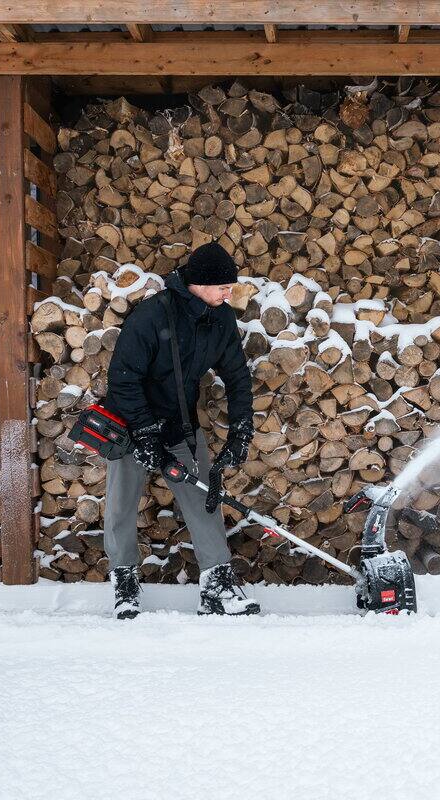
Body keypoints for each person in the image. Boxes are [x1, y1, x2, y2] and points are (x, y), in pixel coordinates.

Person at [102, 242, 258, 618]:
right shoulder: (152, 316)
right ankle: (124, 582)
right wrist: (145, 432)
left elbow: (236, 376)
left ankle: (216, 587)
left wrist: (241, 429)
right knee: (122, 505)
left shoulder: (220, 319)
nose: (229, 294)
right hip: (130, 424)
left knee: (204, 498)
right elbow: (123, 379)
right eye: (223, 287)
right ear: (200, 284)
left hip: (180, 424)